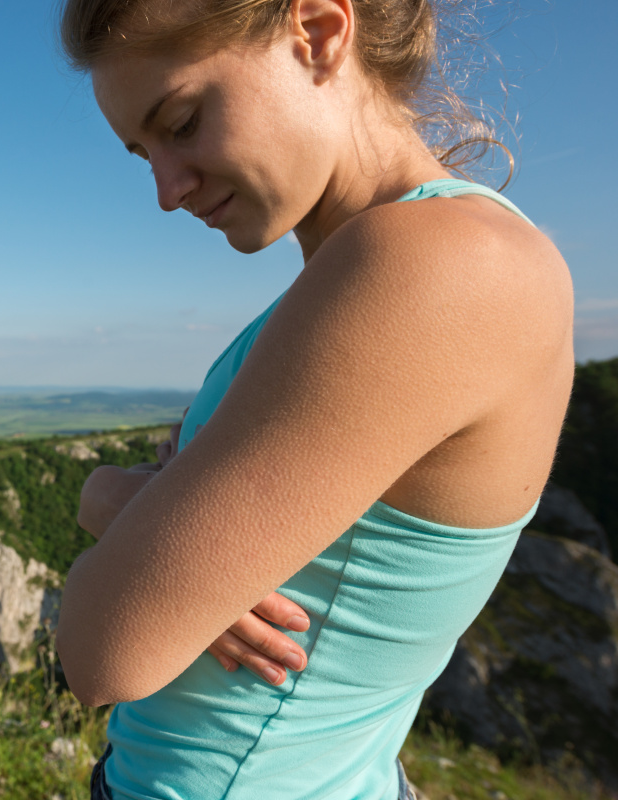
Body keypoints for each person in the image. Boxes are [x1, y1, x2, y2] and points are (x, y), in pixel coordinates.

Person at [52, 0, 573, 798]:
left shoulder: (446, 265)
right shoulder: (356, 284)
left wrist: (138, 528)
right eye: (141, 152)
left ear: (320, 35)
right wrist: (119, 503)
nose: (165, 190)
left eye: (183, 121)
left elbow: (98, 651)